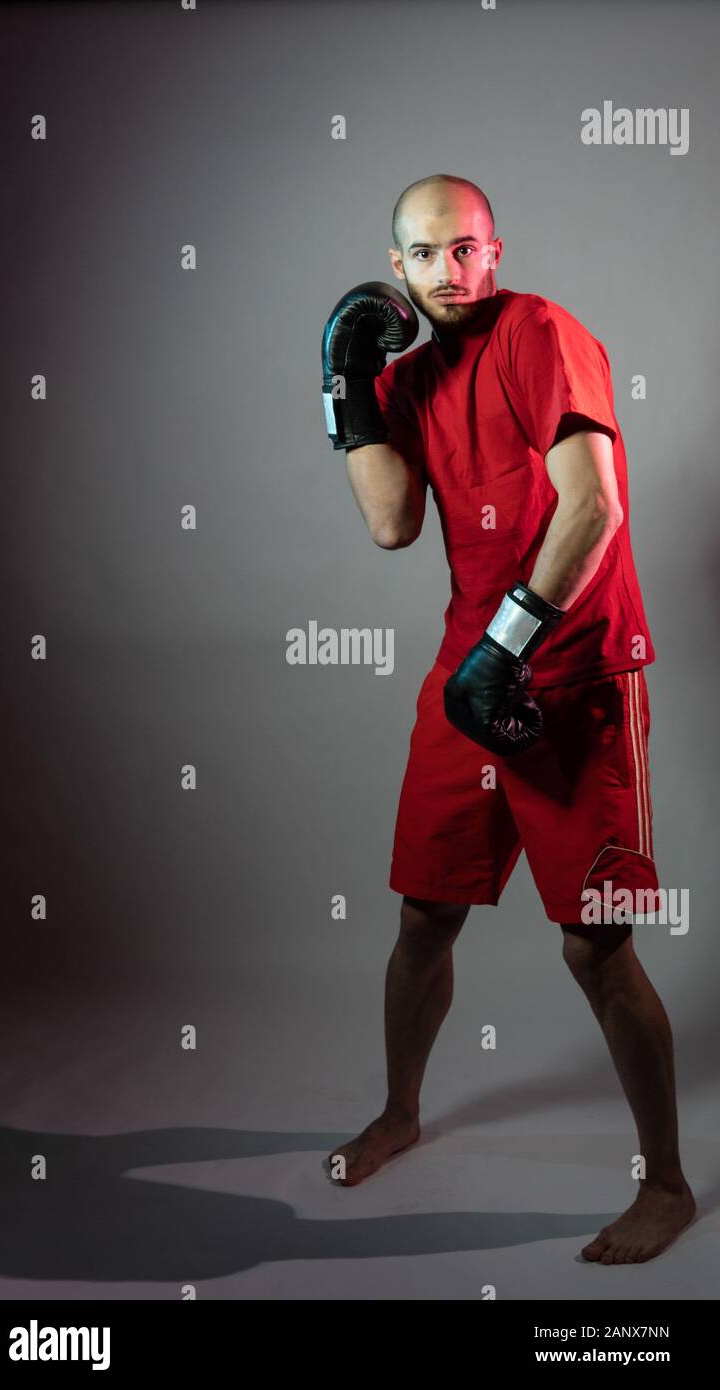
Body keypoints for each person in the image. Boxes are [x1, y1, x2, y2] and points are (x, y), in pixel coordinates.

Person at [319, 174, 696, 1264]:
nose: (449, 271)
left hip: (570, 675)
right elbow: (390, 523)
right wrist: (344, 383)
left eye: (466, 249)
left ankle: (664, 1184)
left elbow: (594, 506)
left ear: (496, 250)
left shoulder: (539, 333)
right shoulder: (407, 375)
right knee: (422, 914)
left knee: (593, 944)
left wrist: (507, 644)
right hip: (466, 678)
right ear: (396, 267)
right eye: (425, 254)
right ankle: (399, 1110)